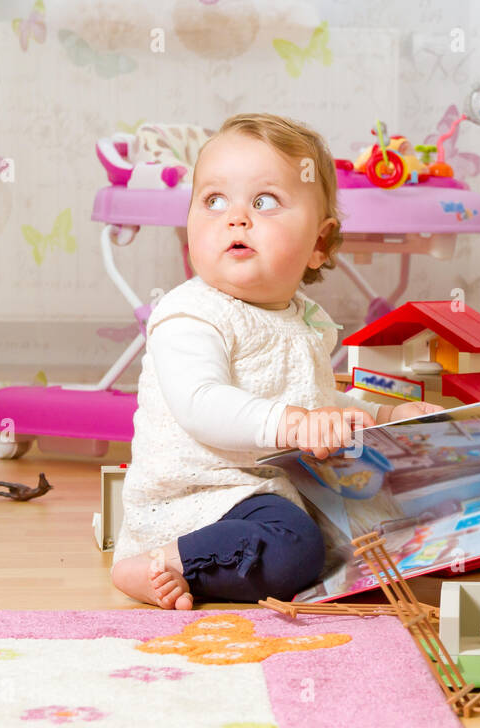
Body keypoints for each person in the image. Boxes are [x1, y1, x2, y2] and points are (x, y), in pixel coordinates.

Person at [110, 113, 440, 609]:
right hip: (199, 498)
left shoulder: (302, 319)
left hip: (266, 494)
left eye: (264, 203)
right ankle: (162, 561)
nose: (236, 218)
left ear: (320, 243)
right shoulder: (189, 315)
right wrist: (294, 425)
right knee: (295, 548)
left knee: (384, 520)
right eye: (213, 201)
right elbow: (201, 403)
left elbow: (316, 400)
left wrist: (384, 416)